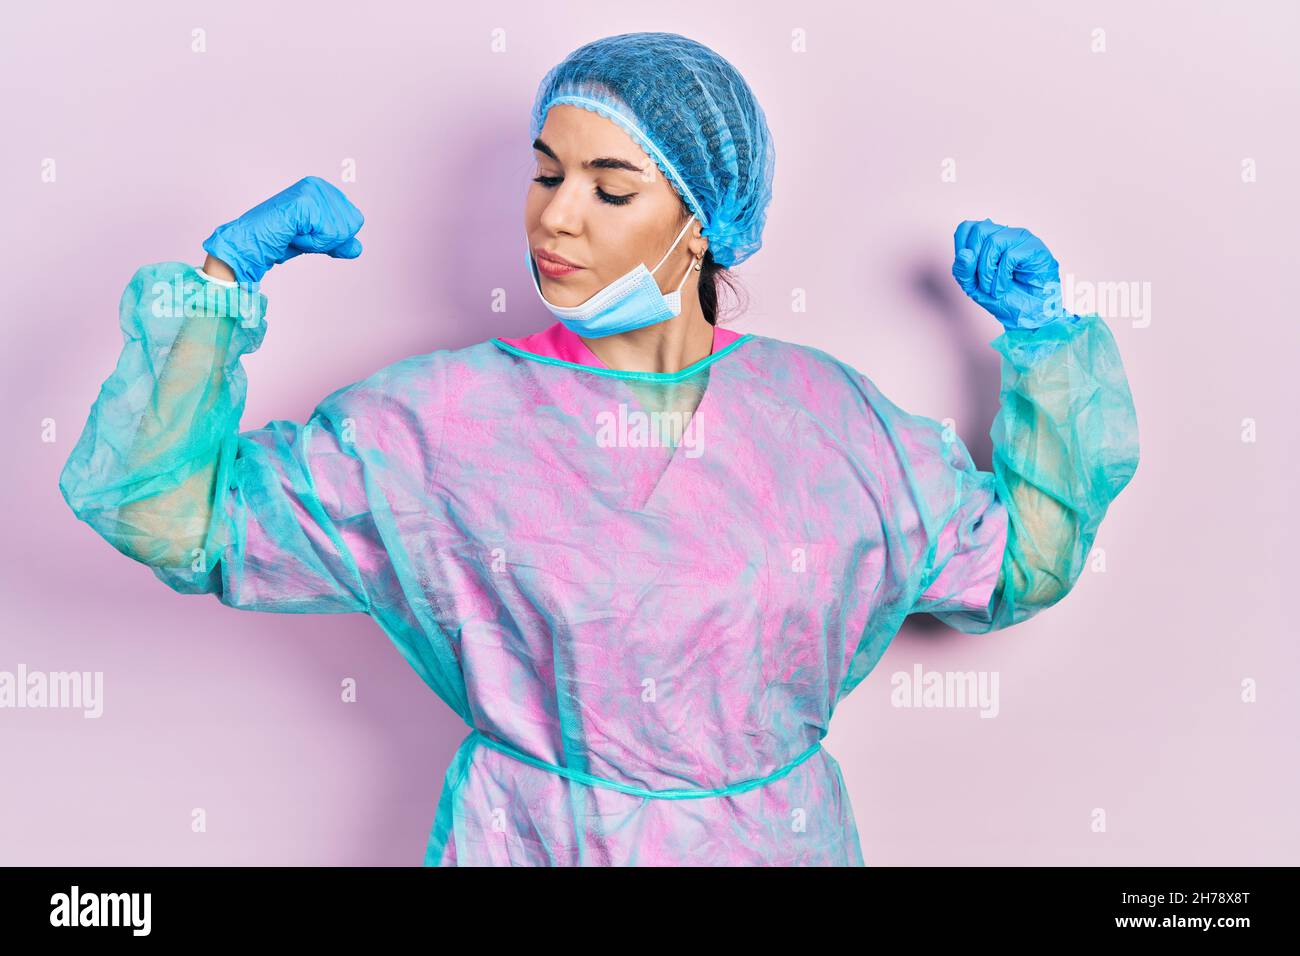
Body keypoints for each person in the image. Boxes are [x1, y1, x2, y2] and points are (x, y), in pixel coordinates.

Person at [58, 31, 1139, 866]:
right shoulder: (440, 427)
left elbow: (1013, 567)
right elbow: (173, 517)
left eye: (611, 188)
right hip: (532, 837)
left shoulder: (830, 423)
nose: (556, 219)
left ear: (703, 222)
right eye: (545, 174)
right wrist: (217, 283)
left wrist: (1043, 345)